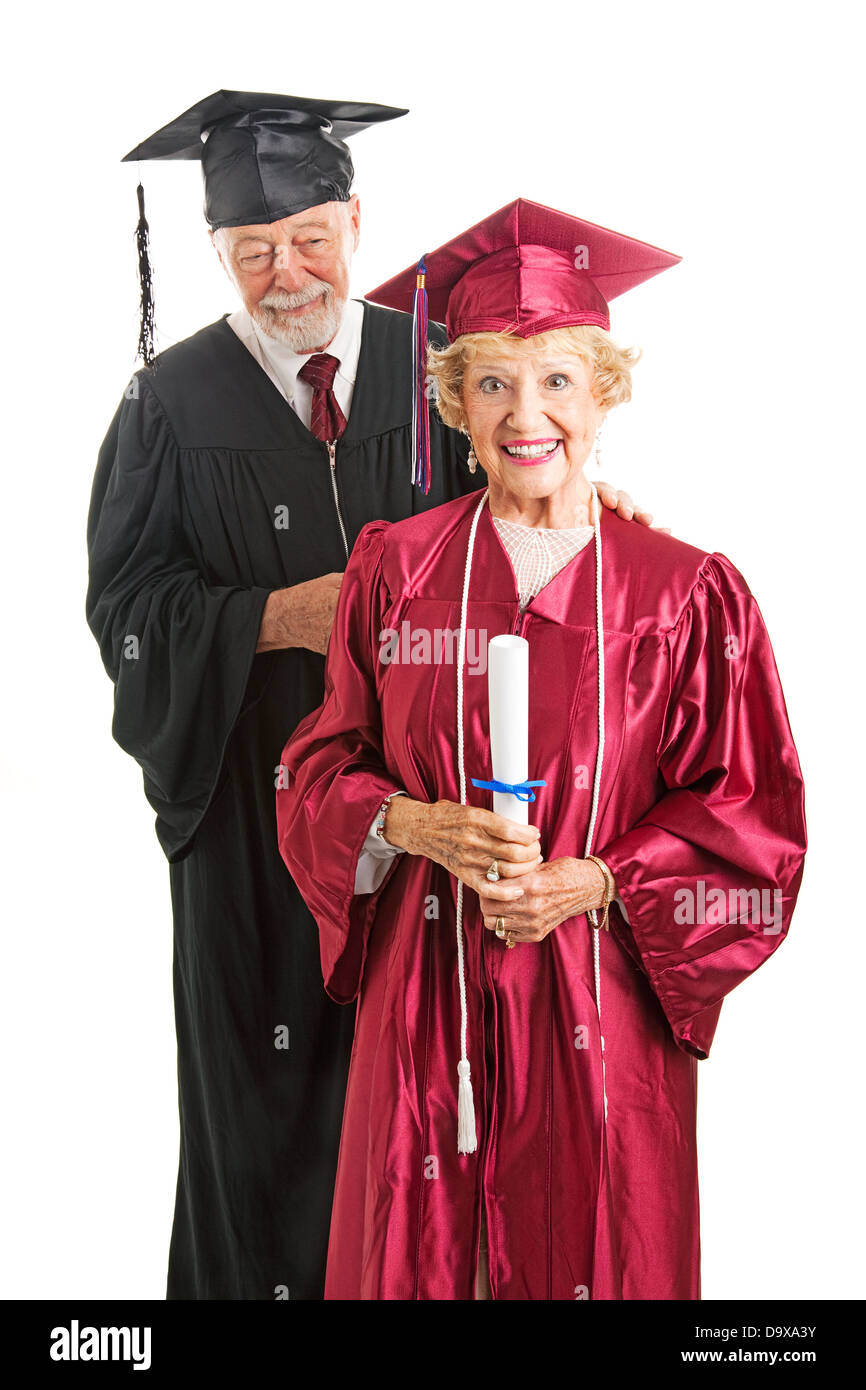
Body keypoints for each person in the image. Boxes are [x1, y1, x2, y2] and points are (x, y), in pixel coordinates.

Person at [86, 96, 647, 1302]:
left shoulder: (438, 366)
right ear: (218, 257)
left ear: (354, 219)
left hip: (428, 803)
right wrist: (288, 614)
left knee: (428, 1092)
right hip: (251, 805)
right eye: (251, 251)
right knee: (269, 1097)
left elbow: (526, 501)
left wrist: (601, 533)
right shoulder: (168, 405)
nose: (286, 272)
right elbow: (125, 612)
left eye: (308, 237)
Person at [275, 198, 808, 1300]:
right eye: (492, 382)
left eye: (557, 378)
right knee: (414, 1253)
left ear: (602, 393)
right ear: (454, 404)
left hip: (598, 1000)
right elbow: (316, 767)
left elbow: (750, 821)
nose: (527, 413)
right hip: (427, 995)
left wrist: (598, 879)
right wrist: (410, 824)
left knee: (595, 1251)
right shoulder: (399, 569)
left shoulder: (684, 593)